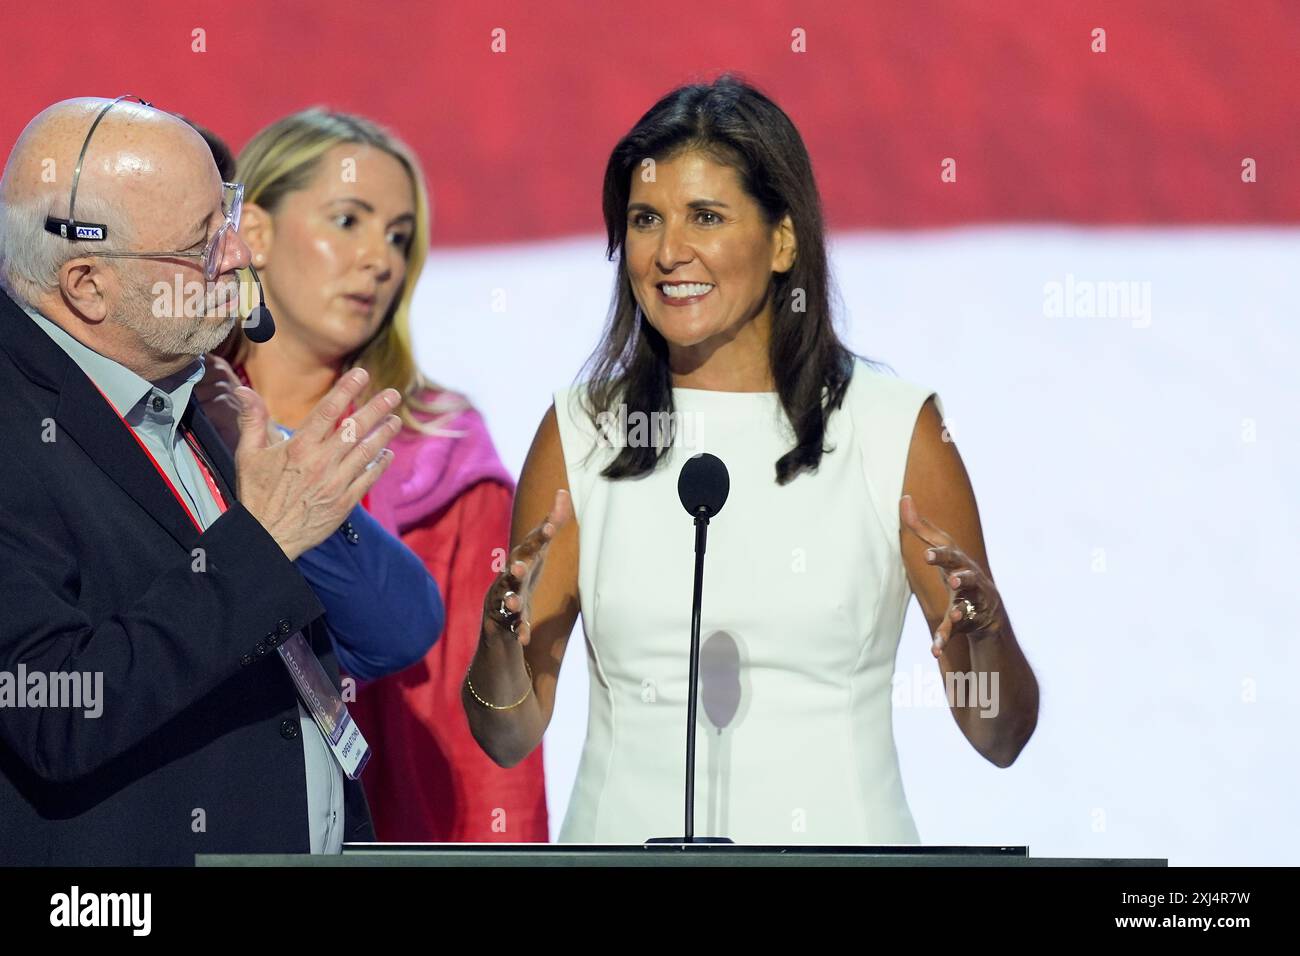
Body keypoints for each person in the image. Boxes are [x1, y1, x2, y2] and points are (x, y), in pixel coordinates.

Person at [463, 76, 1040, 844]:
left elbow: (1000, 738)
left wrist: (988, 635)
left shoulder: (894, 427)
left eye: (706, 216)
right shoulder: (583, 430)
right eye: (645, 220)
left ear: (783, 239)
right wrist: (499, 643)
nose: (670, 252)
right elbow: (507, 734)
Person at [0, 96, 403, 864]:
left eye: (231, 214)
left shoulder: (189, 388)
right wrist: (264, 543)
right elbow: (57, 711)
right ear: (87, 285)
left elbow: (399, 629)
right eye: (202, 243)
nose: (240, 257)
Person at [210, 109, 548, 842]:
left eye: (398, 236)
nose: (380, 260)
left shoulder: (447, 453)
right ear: (253, 231)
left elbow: (484, 751)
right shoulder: (172, 417)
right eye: (349, 220)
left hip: (393, 838)